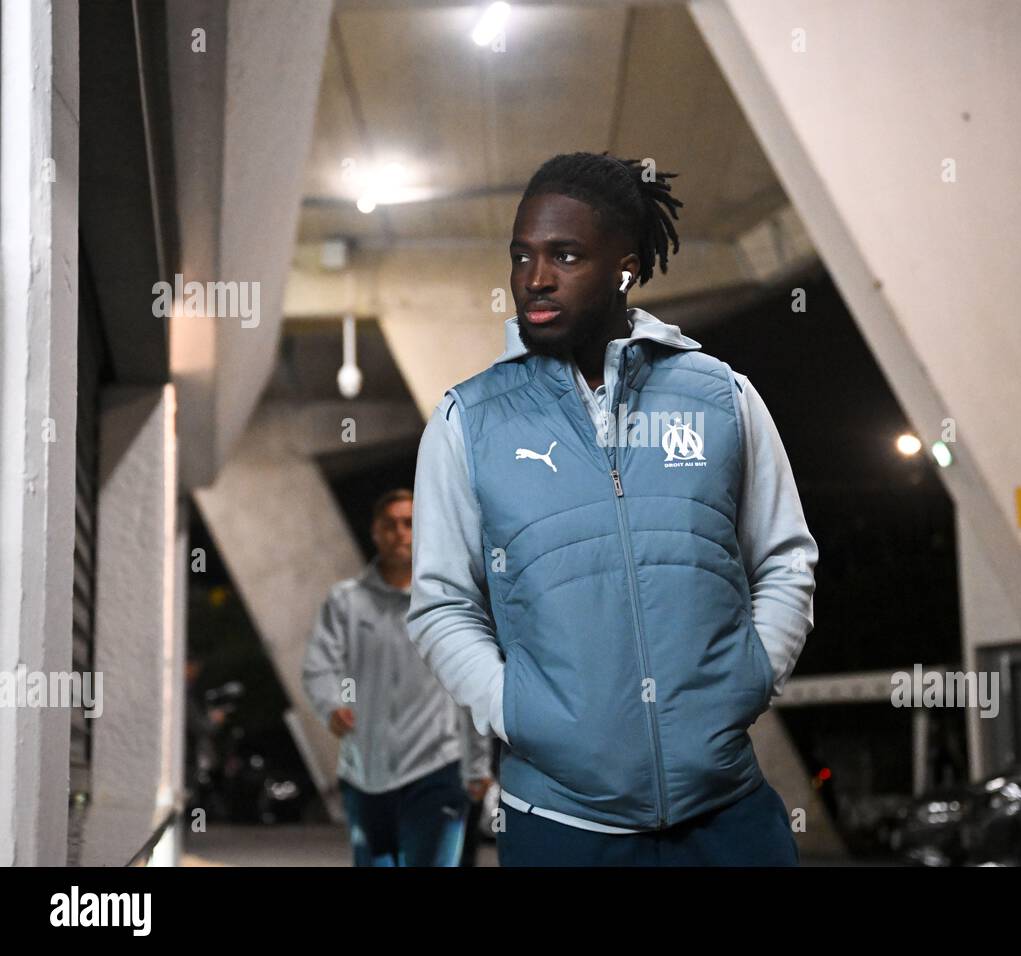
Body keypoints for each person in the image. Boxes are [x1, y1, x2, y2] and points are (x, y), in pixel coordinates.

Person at [406, 151, 817, 866]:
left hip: (728, 819)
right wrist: (517, 710)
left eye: (564, 255)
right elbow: (443, 601)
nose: (534, 278)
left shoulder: (722, 397)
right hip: (560, 826)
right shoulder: (466, 420)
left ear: (625, 269)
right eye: (521, 256)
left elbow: (784, 559)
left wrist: (750, 674)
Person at [303, 488, 495, 866]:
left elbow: (469, 686)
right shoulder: (346, 601)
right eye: (390, 524)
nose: (400, 532)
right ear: (376, 532)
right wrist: (331, 705)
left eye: (409, 524)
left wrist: (477, 766)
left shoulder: (449, 603)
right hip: (365, 774)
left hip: (439, 770)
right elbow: (319, 666)